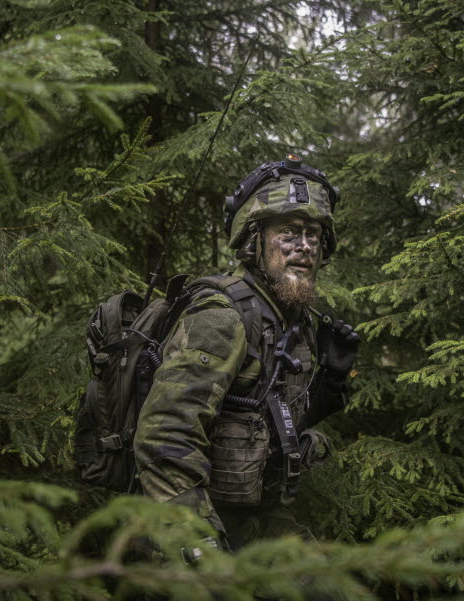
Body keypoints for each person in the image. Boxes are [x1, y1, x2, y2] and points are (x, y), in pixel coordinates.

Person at [133, 156, 360, 551]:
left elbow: (270, 417)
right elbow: (165, 437)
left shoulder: (295, 320)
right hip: (190, 518)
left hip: (258, 520)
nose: (304, 247)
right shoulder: (222, 316)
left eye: (314, 236)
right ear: (255, 241)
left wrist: (330, 383)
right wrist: (197, 543)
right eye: (289, 233)